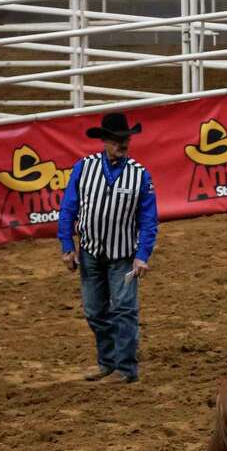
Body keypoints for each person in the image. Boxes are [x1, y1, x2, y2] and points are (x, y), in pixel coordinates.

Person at [57, 112, 158, 384]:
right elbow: (68, 207)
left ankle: (124, 369)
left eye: (124, 139)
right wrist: (67, 245)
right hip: (90, 252)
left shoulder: (140, 175)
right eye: (116, 139)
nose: (122, 144)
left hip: (124, 256)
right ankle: (108, 362)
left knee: (124, 309)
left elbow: (148, 219)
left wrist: (142, 255)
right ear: (104, 141)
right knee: (94, 311)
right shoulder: (83, 168)